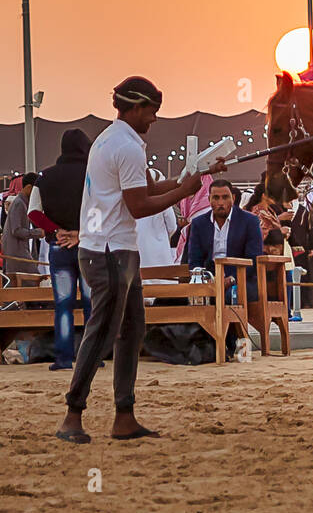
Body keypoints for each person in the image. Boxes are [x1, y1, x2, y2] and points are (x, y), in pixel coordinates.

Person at [56, 77, 209, 445]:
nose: (154, 119)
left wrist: (186, 179)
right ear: (137, 107)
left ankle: (124, 416)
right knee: (104, 331)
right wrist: (183, 192)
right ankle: (72, 415)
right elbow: (139, 206)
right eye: (152, 111)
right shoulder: (128, 146)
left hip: (114, 250)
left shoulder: (110, 140)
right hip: (110, 252)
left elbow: (142, 188)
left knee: (130, 330)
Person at [30, 128, 93, 370]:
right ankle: (90, 357)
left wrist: (56, 231)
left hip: (59, 248)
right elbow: (101, 209)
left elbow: (34, 212)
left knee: (64, 304)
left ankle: (64, 358)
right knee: (91, 303)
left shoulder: (45, 176)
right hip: (88, 248)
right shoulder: (92, 175)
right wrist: (81, 233)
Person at [187, 178, 264, 303]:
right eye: (216, 198)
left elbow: (254, 259)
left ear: (233, 198)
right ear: (209, 200)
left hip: (241, 280)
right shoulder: (199, 223)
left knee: (229, 296)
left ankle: (229, 322)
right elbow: (194, 259)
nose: (221, 202)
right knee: (175, 298)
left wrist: (231, 279)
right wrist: (205, 280)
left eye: (225, 197)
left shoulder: (250, 221)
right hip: (209, 279)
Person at [1, 172, 44, 277]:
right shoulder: (19, 203)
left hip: (20, 251)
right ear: (29, 187)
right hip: (17, 253)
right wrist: (38, 232)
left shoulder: (23, 203)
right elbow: (16, 230)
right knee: (33, 281)